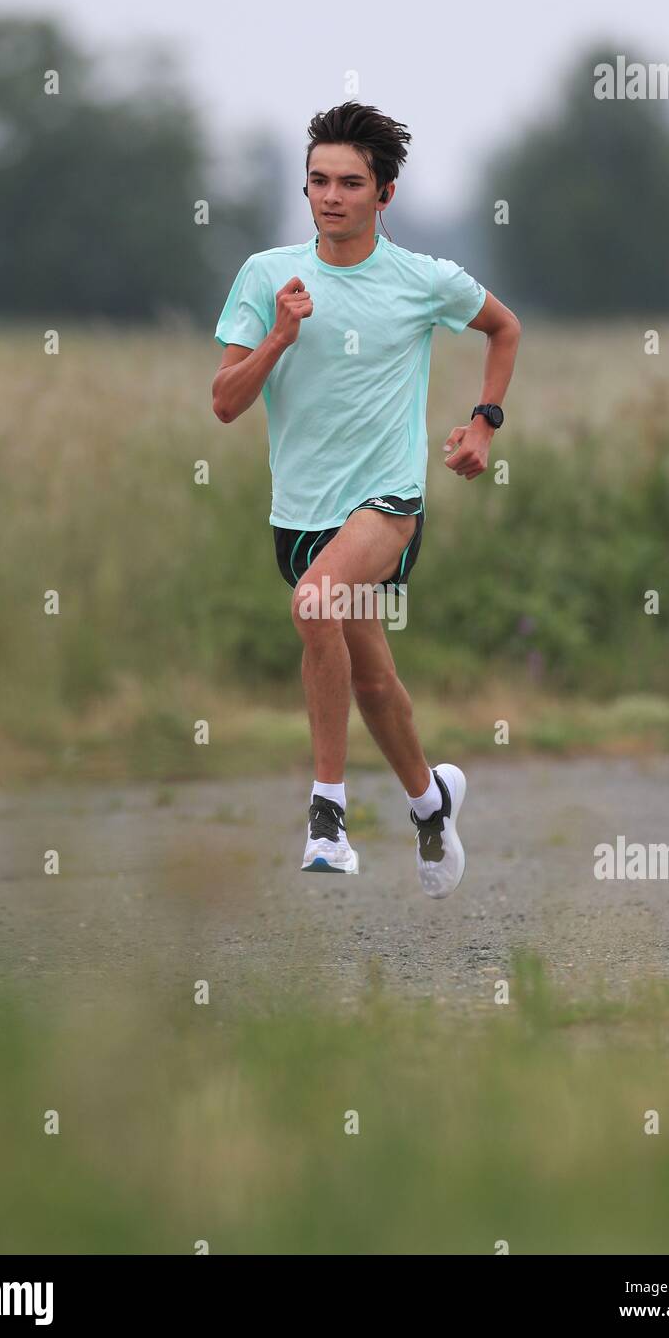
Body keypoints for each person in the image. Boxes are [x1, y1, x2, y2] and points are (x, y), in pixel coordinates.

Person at [212, 101, 521, 898]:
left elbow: (504, 328)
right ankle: (431, 801)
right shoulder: (265, 276)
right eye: (317, 181)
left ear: (384, 194)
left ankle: (328, 817)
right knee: (372, 681)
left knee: (315, 605)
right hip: (300, 513)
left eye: (350, 183)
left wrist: (484, 424)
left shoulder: (424, 281)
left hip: (389, 503)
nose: (330, 197)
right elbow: (224, 402)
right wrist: (279, 337)